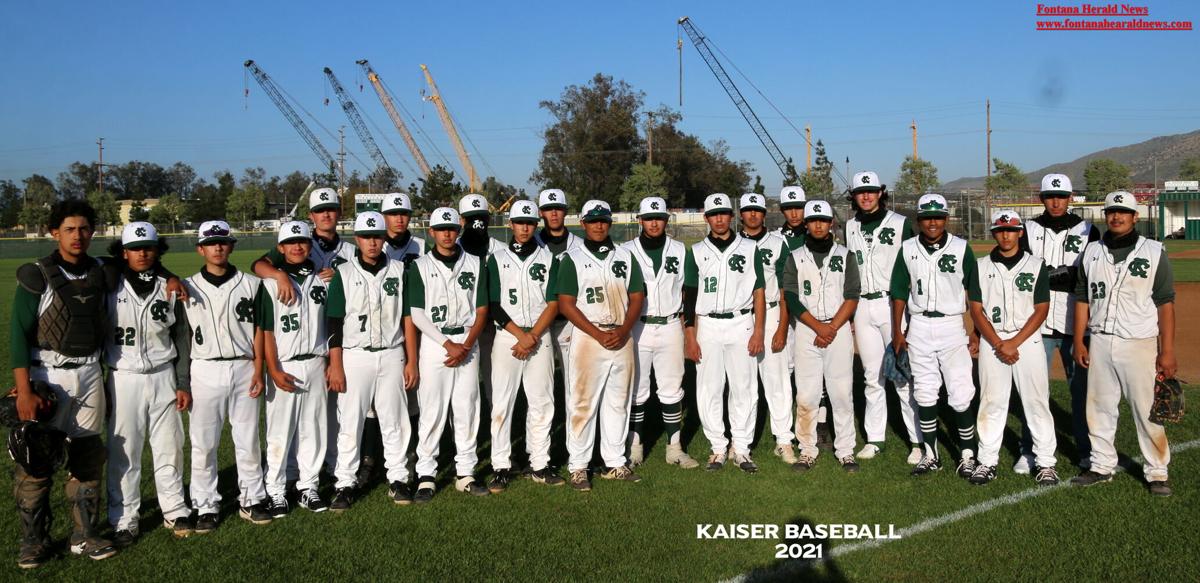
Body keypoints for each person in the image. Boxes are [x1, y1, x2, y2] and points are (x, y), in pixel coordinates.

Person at [10, 200, 122, 566]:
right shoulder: (37, 274)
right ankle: (34, 541)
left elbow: (146, 261)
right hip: (48, 373)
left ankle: (84, 534)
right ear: (54, 232)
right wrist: (24, 389)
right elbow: (17, 334)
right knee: (36, 458)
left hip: (90, 372)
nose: (79, 236)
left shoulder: (102, 271)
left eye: (85, 228)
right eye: (70, 229)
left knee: (88, 456)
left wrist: (168, 276)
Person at [1070, 191, 1176, 497]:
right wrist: (1079, 340)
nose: (1116, 217)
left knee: (1145, 410)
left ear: (1135, 216)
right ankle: (1102, 465)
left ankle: (1157, 471)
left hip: (1139, 343)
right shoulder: (1091, 253)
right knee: (1100, 407)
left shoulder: (1154, 251)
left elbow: (1165, 303)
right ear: (1105, 216)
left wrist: (1166, 351)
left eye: (1123, 212)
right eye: (1111, 212)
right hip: (1100, 339)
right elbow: (1082, 299)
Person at [253, 187, 354, 484]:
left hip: (329, 344)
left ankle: (327, 469)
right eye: (320, 210)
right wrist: (279, 274)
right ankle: (282, 480)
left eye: (332, 208)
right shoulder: (297, 244)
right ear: (311, 216)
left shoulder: (349, 251)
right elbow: (259, 265)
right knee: (287, 423)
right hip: (291, 350)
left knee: (326, 417)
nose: (326, 214)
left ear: (339, 213)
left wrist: (341, 279)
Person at [103, 222, 196, 546]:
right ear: (123, 252)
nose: (142, 253)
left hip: (162, 375)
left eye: (148, 247)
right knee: (124, 452)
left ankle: (174, 508)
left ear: (157, 250)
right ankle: (124, 518)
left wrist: (182, 382)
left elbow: (181, 337)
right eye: (135, 248)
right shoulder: (109, 284)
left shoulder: (169, 287)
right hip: (123, 377)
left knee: (170, 446)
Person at [324, 212, 420, 511]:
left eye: (377, 236)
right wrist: (335, 364)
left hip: (392, 352)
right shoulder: (345, 272)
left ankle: (399, 478)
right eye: (366, 237)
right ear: (357, 239)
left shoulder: (398, 270)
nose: (372, 242)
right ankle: (344, 482)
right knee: (350, 421)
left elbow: (407, 318)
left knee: (395, 420)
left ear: (384, 238)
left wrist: (411, 360)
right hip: (355, 354)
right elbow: (335, 321)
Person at [182, 220, 273, 532]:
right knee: (204, 443)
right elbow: (181, 336)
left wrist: (259, 368)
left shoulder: (251, 284)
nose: (218, 247)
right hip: (204, 368)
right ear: (200, 249)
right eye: (211, 243)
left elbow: (261, 329)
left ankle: (253, 498)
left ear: (232, 246)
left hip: (244, 366)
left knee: (248, 439)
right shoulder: (186, 286)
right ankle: (206, 504)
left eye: (223, 242)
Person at [555, 200, 646, 491]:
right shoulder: (572, 258)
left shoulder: (625, 255)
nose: (598, 225)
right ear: (582, 223)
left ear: (610, 223)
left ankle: (615, 462)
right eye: (592, 220)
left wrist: (624, 329)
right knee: (583, 403)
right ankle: (578, 466)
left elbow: (637, 297)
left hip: (621, 335)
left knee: (618, 402)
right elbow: (566, 304)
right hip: (587, 337)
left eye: (603, 220)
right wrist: (596, 333)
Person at [890, 194, 980, 478]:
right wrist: (897, 331)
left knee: (961, 393)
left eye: (938, 216)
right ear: (918, 220)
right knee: (925, 393)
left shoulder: (962, 248)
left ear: (946, 219)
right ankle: (931, 455)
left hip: (952, 325)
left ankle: (967, 455)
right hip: (918, 326)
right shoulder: (907, 248)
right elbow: (899, 293)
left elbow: (975, 293)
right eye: (927, 217)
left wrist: (975, 329)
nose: (932, 222)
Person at [967, 211, 1059, 486]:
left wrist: (1013, 343)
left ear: (1020, 232)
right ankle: (987, 461)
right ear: (994, 233)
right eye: (1000, 230)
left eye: (1011, 230)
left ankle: (1045, 463)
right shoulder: (980, 266)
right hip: (993, 341)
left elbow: (1042, 309)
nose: (1005, 235)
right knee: (992, 401)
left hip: (1026, 342)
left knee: (1036, 402)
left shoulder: (1036, 265)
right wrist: (998, 343)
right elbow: (976, 309)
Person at [407, 207, 491, 501]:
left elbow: (482, 310)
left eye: (452, 228)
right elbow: (416, 313)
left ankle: (465, 471)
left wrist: (466, 345)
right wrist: (447, 344)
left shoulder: (476, 263)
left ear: (459, 229)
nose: (447, 234)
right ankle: (426, 474)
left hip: (467, 341)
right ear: (431, 232)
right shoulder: (419, 266)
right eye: (441, 229)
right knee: (432, 409)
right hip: (435, 344)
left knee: (467, 407)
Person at [1019, 173, 1097, 473]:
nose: (1056, 201)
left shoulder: (1088, 230)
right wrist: (1060, 274)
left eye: (1061, 196)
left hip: (1075, 322)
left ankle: (1085, 451)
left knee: (1080, 392)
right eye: (1051, 196)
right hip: (1036, 322)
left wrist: (1051, 275)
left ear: (1070, 198)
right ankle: (1028, 450)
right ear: (1041, 198)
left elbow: (1088, 275)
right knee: (1033, 390)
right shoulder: (1029, 228)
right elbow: (1024, 273)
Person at [844, 171, 922, 464]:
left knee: (902, 373)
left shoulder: (901, 224)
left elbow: (913, 266)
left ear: (881, 193)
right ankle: (875, 438)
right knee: (872, 376)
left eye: (871, 191)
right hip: (863, 306)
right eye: (861, 191)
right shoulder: (849, 227)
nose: (866, 196)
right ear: (854, 195)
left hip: (893, 303)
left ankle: (917, 440)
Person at [685, 193, 766, 473]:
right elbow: (690, 296)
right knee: (709, 388)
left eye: (724, 213)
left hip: (741, 322)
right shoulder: (695, 251)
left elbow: (759, 291)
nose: (719, 218)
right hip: (707, 324)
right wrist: (690, 335)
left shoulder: (749, 247)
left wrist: (758, 330)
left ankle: (741, 448)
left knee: (744, 388)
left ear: (731, 216)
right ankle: (718, 448)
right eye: (713, 214)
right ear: (707, 218)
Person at [486, 200, 564, 491]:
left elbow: (554, 302)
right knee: (502, 403)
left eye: (529, 223)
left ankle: (540, 463)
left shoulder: (548, 259)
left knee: (542, 402)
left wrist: (532, 336)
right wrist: (521, 335)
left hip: (539, 336)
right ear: (510, 224)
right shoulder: (496, 258)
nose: (524, 227)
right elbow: (493, 304)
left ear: (536, 225)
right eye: (519, 222)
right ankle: (501, 465)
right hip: (508, 336)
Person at [257, 221, 333, 515]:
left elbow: (330, 325)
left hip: (315, 361)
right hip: (285, 363)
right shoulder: (270, 283)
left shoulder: (323, 281)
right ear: (280, 249)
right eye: (291, 243)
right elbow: (266, 332)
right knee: (279, 431)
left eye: (302, 241)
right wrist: (273, 369)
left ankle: (308, 487)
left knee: (314, 428)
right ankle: (275, 490)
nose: (298, 246)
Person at [620, 196, 699, 469]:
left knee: (671, 388)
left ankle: (675, 447)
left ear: (666, 220)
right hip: (638, 326)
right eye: (649, 218)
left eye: (659, 218)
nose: (654, 222)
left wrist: (689, 328)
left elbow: (689, 292)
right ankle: (634, 446)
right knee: (636, 389)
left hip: (670, 325)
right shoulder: (625, 250)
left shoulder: (679, 249)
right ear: (640, 220)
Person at [782, 201, 861, 472]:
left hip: (837, 330)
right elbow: (791, 296)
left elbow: (852, 295)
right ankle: (806, 449)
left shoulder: (845, 254)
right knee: (806, 393)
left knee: (841, 392)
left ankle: (846, 450)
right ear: (806, 223)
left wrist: (831, 328)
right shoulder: (795, 256)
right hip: (807, 330)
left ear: (831, 224)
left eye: (823, 220)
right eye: (813, 220)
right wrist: (818, 327)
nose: (818, 225)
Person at [738, 193, 796, 466]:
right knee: (742, 384)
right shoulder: (733, 243)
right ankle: (741, 443)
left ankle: (783, 440)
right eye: (748, 210)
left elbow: (786, 288)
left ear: (764, 213)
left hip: (772, 310)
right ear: (741, 214)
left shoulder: (777, 242)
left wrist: (783, 326)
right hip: (740, 315)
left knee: (778, 382)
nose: (752, 215)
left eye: (757, 210)